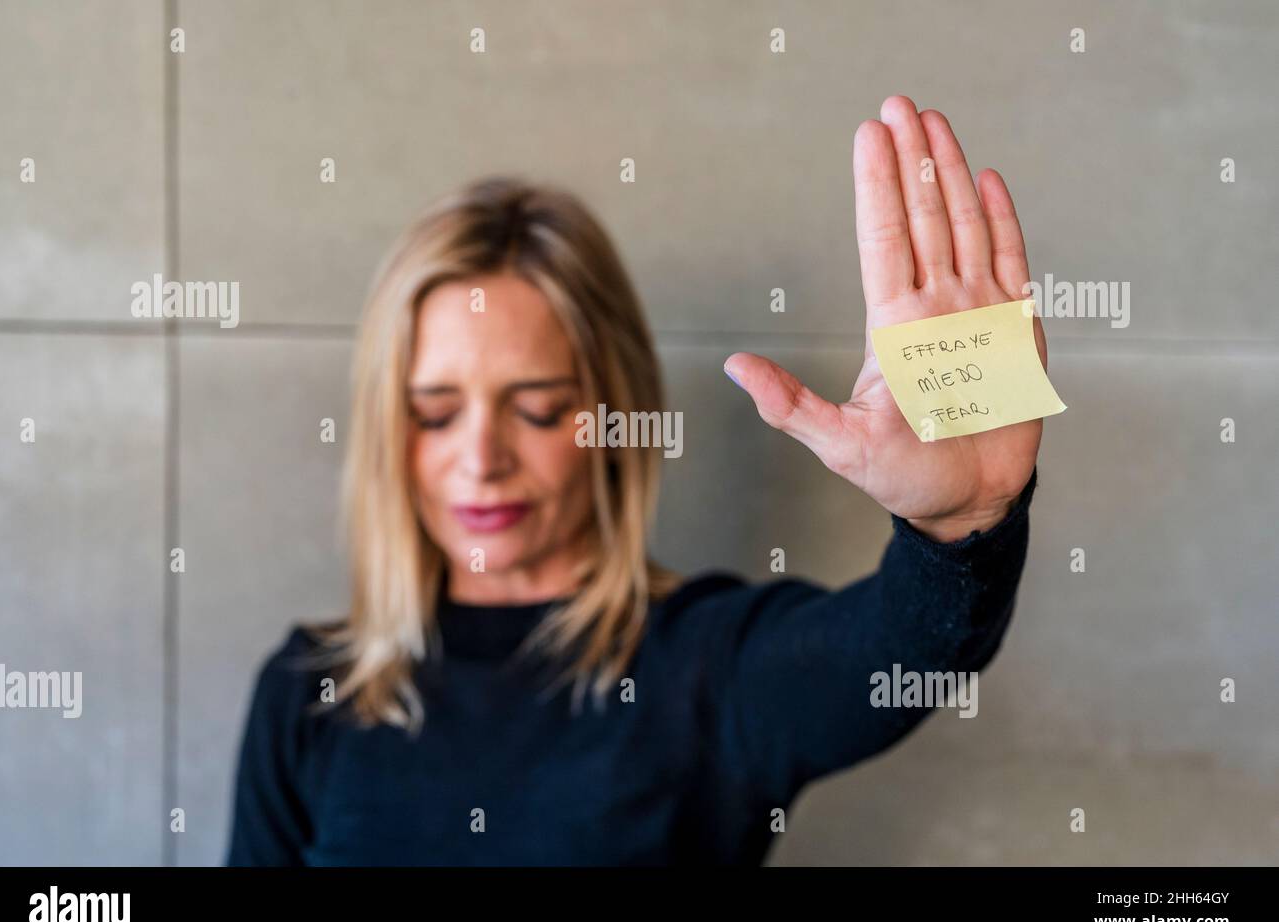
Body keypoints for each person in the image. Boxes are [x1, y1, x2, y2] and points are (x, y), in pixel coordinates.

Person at [226, 95, 1044, 865]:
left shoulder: (709, 667)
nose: (481, 459)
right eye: (435, 413)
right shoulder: (307, 696)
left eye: (539, 409)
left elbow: (899, 647)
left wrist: (963, 524)